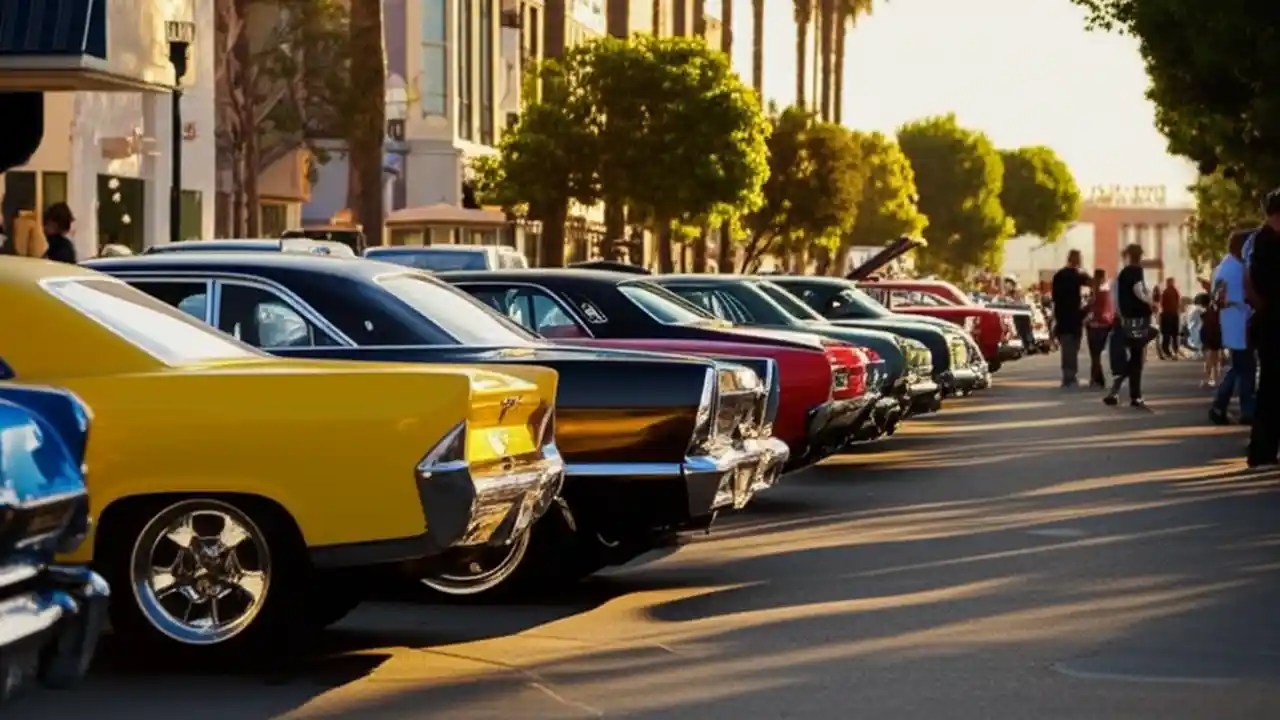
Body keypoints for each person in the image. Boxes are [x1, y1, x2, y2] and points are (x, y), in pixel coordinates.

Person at [1245, 191, 1280, 466]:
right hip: (1273, 322)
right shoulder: (1266, 243)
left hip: (1268, 321)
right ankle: (1263, 449)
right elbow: (1260, 285)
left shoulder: (1258, 241)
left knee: (1270, 387)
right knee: (1270, 387)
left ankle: (1264, 449)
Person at [1210, 230, 1254, 425]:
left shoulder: (1222, 267)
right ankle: (1244, 410)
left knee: (1239, 366)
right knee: (1244, 367)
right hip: (1239, 320)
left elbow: (1217, 297)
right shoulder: (1236, 268)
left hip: (1231, 321)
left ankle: (1221, 405)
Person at [1104, 243, 1156, 408]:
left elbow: (1115, 296)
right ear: (1139, 256)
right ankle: (1132, 394)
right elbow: (1138, 290)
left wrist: (1118, 314)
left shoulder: (1121, 274)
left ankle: (1122, 391)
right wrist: (1151, 302)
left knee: (1135, 357)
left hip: (1126, 321)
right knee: (1137, 358)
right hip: (1139, 320)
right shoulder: (1135, 271)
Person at [1051, 249, 1090, 387]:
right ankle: (1070, 376)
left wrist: (1054, 319)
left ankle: (1068, 375)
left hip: (1063, 316)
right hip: (1074, 316)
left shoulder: (1059, 275)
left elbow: (1054, 299)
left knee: (1067, 347)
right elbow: (1094, 283)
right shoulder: (1078, 275)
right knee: (1073, 346)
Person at [1084, 268, 1114, 388]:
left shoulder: (1101, 292)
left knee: (1095, 354)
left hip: (1098, 325)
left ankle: (1097, 379)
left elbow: (1093, 307)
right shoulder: (1107, 291)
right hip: (1105, 324)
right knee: (1096, 354)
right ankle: (1096, 378)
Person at [1195, 292, 1222, 387]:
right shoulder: (1213, 312)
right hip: (1215, 337)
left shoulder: (1207, 314)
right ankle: (1214, 378)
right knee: (1215, 359)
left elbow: (1207, 327)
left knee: (1209, 359)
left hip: (1210, 338)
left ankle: (1208, 379)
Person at [1159, 278, 1182, 359]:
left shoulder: (1165, 292)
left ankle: (1167, 351)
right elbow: (1178, 303)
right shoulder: (1175, 292)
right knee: (1175, 335)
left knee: (1166, 334)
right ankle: (1175, 352)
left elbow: (1162, 303)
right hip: (1174, 314)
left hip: (1167, 315)